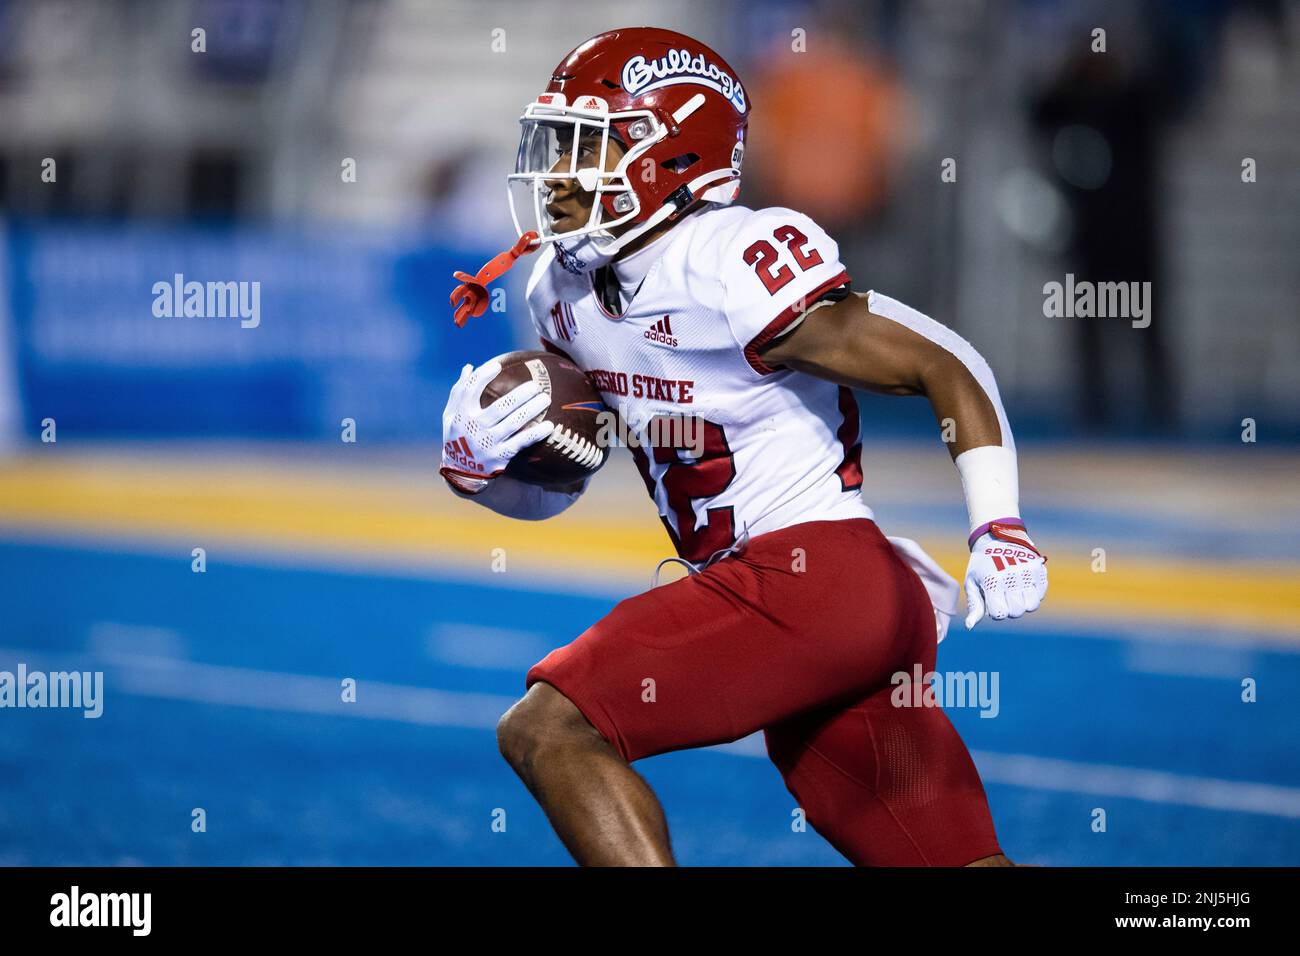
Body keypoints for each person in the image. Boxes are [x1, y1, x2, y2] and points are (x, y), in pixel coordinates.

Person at [440, 28, 1047, 866]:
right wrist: (489, 472)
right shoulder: (560, 288)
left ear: (671, 159)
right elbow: (567, 480)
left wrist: (998, 525)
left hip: (809, 577)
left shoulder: (728, 259)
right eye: (554, 146)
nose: (556, 175)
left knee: (550, 727)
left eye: (587, 148)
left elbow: (942, 363)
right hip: (825, 606)